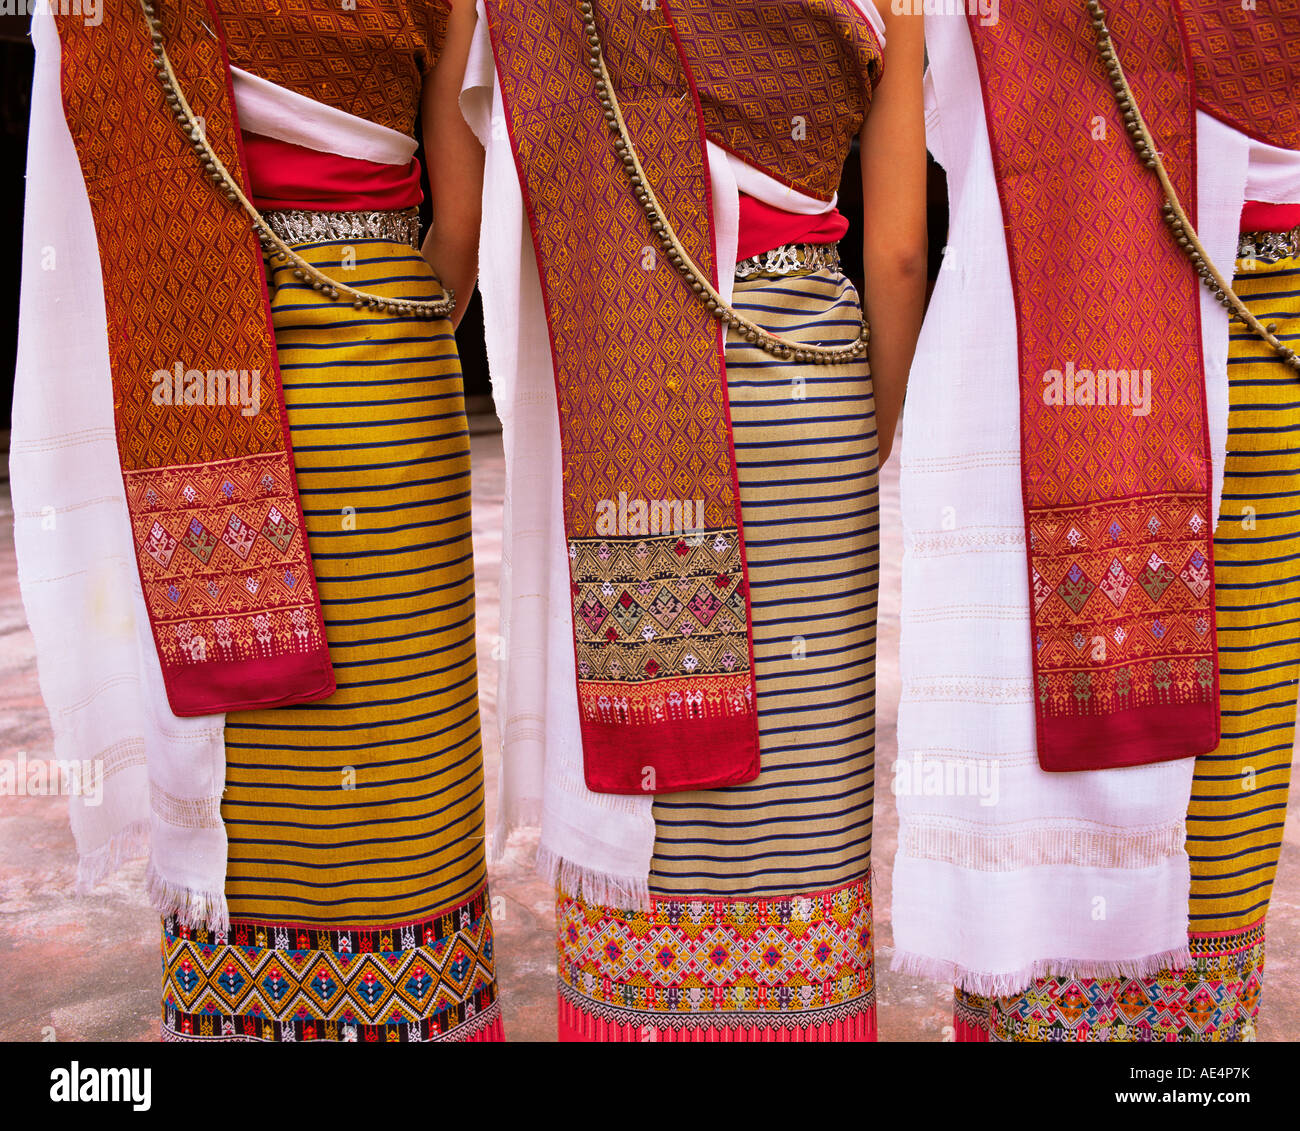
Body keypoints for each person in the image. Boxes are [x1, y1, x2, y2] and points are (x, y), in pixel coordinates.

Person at [13, 0, 502, 1041]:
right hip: (390, 383)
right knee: (402, 753)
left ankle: (253, 1006)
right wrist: (371, 331)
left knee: (249, 761)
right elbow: (454, 233)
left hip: (195, 390)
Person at [465, 0, 925, 1040]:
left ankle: (646, 1009)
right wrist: (870, 418)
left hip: (636, 376)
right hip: (808, 378)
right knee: (808, 775)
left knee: (659, 756)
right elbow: (897, 256)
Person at [894, 0, 1299, 1041]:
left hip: (1042, 351)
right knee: (1233, 771)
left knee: (1046, 753)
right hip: (1272, 345)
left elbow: (901, 234)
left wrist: (893, 423)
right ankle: (1195, 1048)